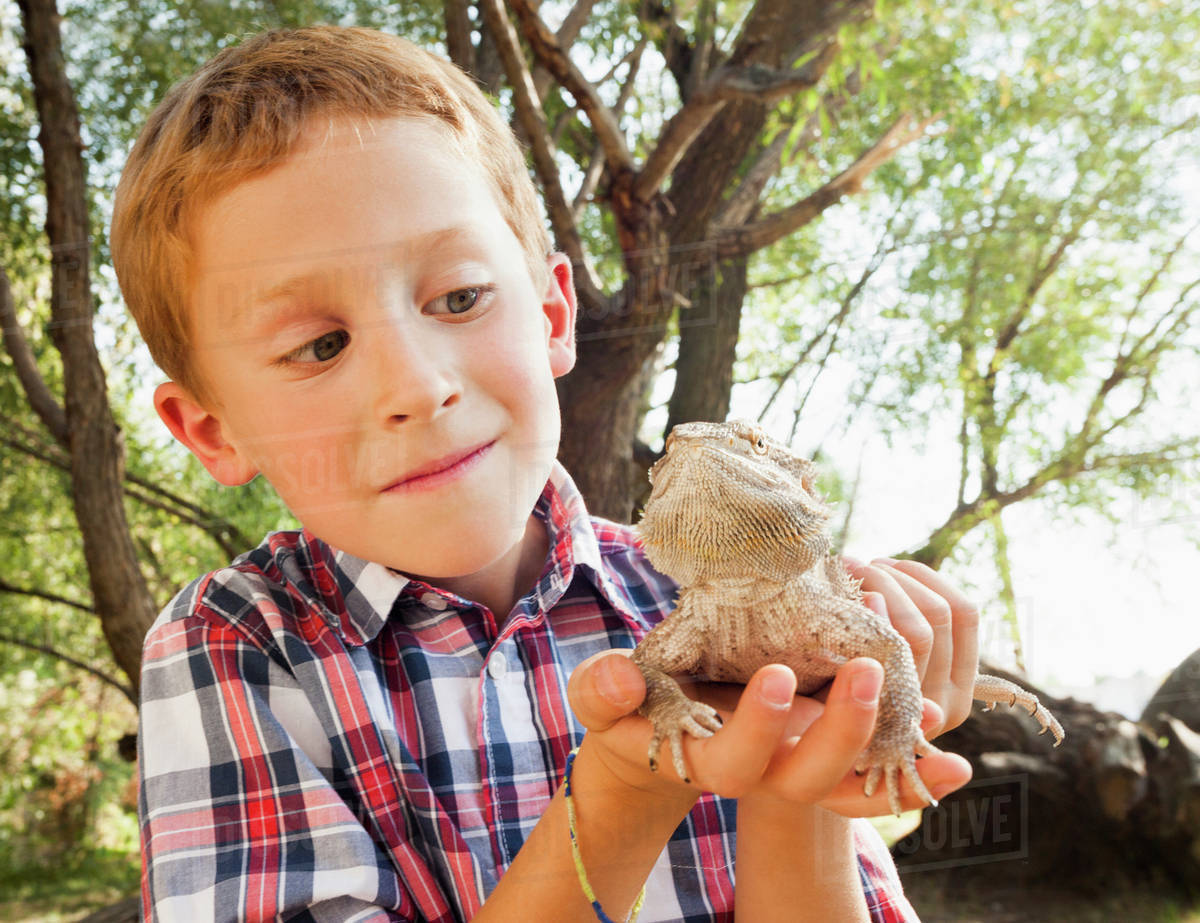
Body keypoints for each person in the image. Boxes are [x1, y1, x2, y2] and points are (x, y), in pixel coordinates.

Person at [112, 25, 977, 922]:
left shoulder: (696, 592)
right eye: (318, 345)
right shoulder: (235, 645)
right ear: (209, 429)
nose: (418, 384)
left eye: (459, 296)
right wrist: (616, 803)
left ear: (554, 312)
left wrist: (800, 772)